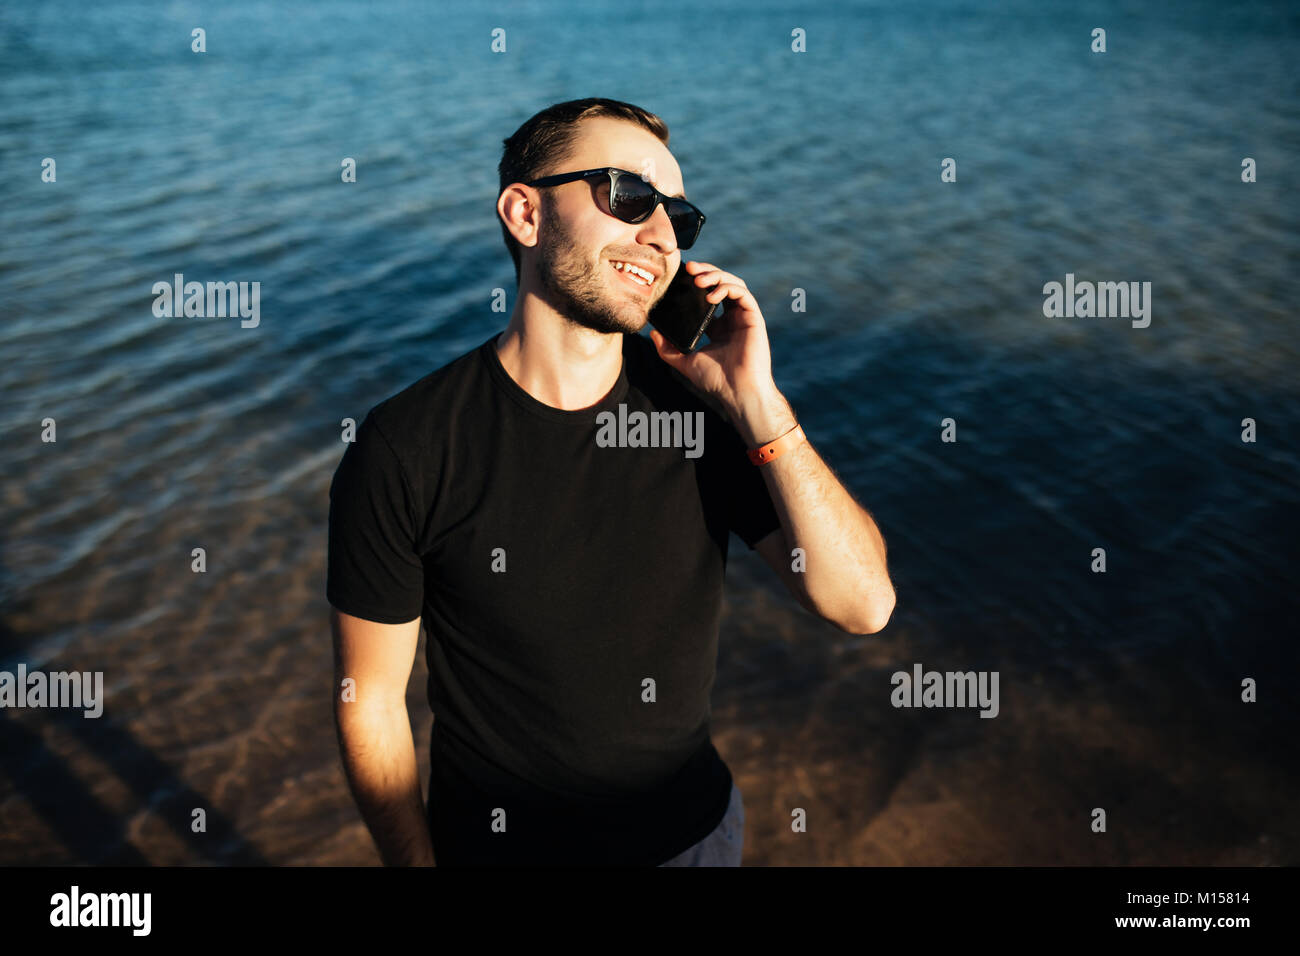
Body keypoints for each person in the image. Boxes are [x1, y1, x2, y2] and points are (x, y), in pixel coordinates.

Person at [326, 97, 895, 867]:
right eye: (628, 197)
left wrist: (757, 403)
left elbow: (862, 605)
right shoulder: (407, 447)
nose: (660, 235)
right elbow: (371, 704)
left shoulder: (703, 418)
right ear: (525, 214)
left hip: (695, 839)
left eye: (680, 218)